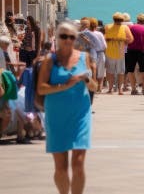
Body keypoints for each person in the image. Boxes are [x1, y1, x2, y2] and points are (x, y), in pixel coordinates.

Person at [37, 22, 97, 194]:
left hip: (80, 114)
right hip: (56, 115)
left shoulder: (84, 57)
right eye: (64, 36)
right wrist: (66, 84)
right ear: (57, 38)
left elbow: (95, 87)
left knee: (78, 164)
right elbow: (41, 88)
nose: (68, 40)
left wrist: (86, 79)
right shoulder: (50, 60)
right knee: (61, 167)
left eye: (71, 37)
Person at [104, 12, 133, 95]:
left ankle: (110, 89)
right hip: (120, 52)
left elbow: (105, 38)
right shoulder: (125, 27)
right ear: (122, 20)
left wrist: (111, 39)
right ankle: (119, 89)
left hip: (110, 51)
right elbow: (131, 39)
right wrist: (123, 41)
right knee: (120, 72)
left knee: (110, 71)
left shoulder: (107, 26)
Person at [126, 14, 144, 95]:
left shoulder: (131, 28)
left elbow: (127, 39)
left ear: (137, 20)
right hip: (141, 51)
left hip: (130, 51)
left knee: (130, 70)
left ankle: (133, 89)